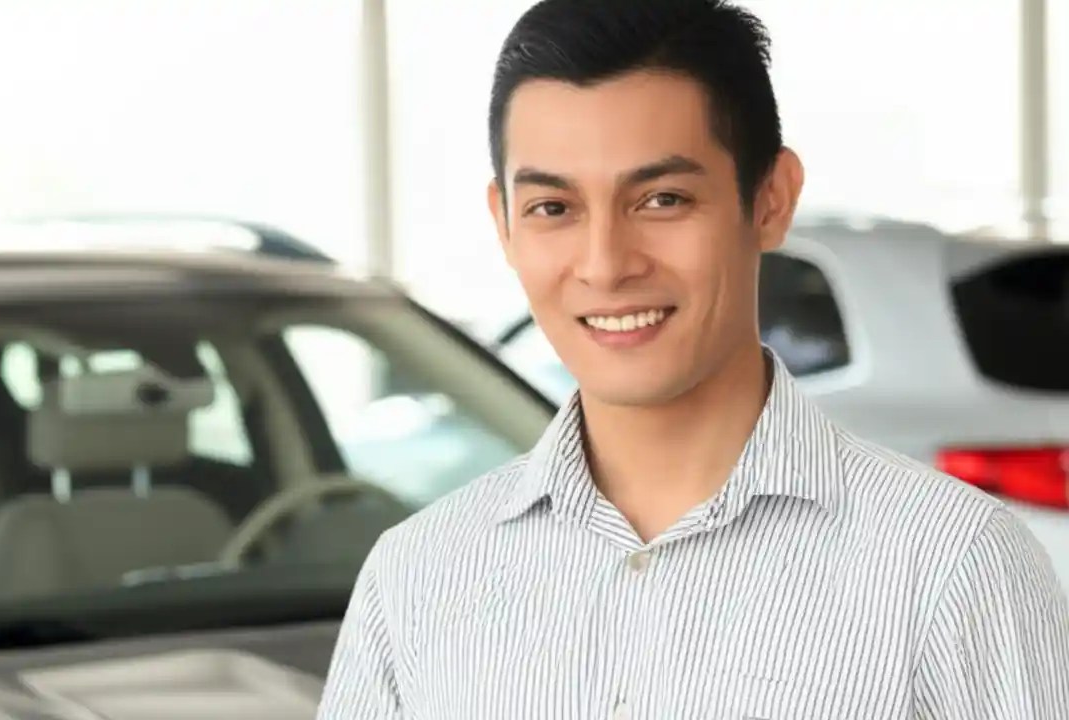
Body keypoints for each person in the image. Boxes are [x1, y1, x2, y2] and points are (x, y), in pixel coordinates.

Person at [317, 0, 1069, 717]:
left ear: (771, 199)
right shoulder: (416, 580)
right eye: (554, 208)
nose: (606, 265)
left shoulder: (954, 568)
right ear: (505, 224)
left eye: (662, 199)